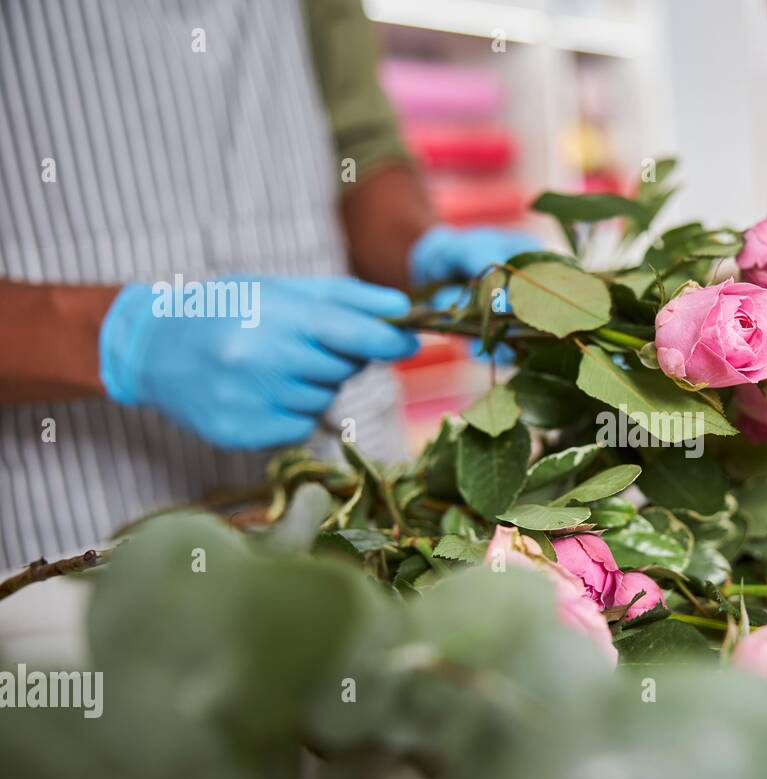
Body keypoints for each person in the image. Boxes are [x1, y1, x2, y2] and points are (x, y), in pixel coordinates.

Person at [0, 0, 536, 571]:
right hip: (69, 505)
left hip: (349, 488)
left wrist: (421, 248)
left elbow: (361, 152)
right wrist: (124, 340)